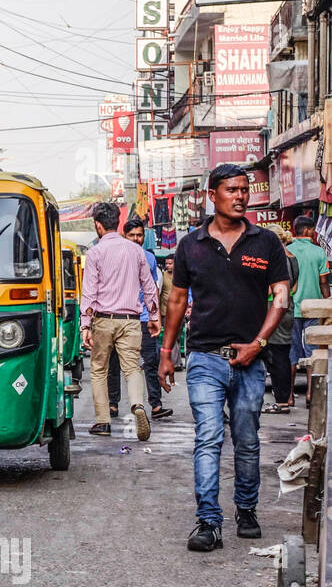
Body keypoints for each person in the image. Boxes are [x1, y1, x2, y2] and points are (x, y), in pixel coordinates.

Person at [159, 164, 290, 552]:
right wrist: (166, 352)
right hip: (204, 359)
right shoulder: (191, 244)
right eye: (231, 190)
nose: (240, 196)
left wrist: (259, 344)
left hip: (250, 361)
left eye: (244, 190)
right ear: (211, 195)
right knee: (209, 436)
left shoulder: (265, 243)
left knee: (247, 440)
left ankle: (246, 510)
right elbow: (178, 301)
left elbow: (280, 297)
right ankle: (208, 522)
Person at [80, 201, 160, 440]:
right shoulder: (136, 251)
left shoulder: (94, 253)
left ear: (98, 225)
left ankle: (103, 421)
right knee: (133, 368)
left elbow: (89, 292)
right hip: (131, 320)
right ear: (117, 223)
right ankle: (137, 405)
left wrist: (85, 324)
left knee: (98, 370)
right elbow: (149, 286)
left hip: (104, 320)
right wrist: (154, 317)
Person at [105, 218, 170, 420]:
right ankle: (113, 404)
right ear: (125, 235)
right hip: (117, 316)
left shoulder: (149, 259)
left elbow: (152, 290)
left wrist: (154, 315)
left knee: (151, 361)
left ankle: (156, 405)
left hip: (142, 318)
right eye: (132, 235)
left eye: (139, 235)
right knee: (113, 362)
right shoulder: (113, 255)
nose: (136, 239)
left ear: (144, 237)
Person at [286, 215, 329, 406]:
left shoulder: (286, 251)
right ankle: (311, 394)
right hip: (313, 311)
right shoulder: (319, 253)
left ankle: (288, 396)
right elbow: (324, 283)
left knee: (291, 354)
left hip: (290, 310)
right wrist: (327, 303)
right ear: (308, 231)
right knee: (313, 353)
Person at [262, 228, 299, 415]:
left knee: (276, 357)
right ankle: (284, 399)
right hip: (287, 309)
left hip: (275, 310)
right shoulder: (292, 257)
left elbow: (274, 289)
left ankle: (282, 401)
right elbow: (294, 286)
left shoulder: (277, 258)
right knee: (282, 355)